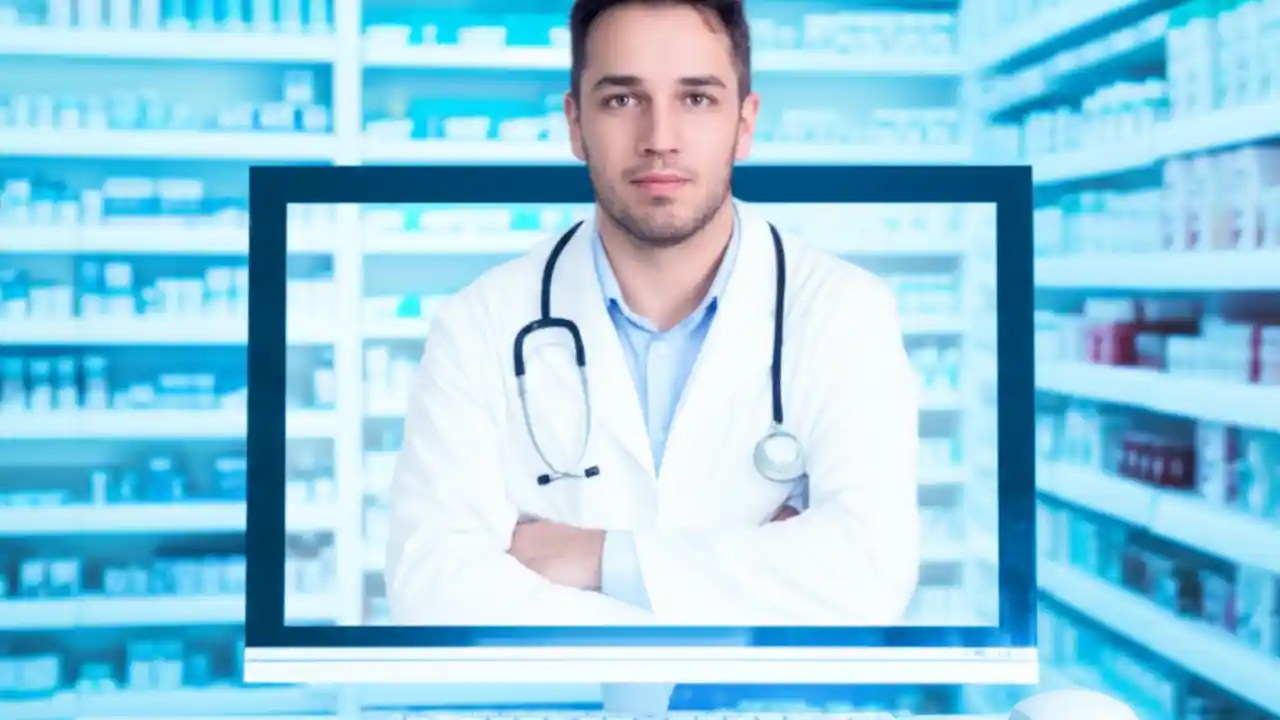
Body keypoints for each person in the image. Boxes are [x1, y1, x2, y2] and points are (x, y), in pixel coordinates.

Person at [386, 0, 919, 652]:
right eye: (620, 100)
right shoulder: (482, 322)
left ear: (744, 125)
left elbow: (869, 573)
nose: (660, 136)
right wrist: (736, 592)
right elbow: (431, 587)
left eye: (696, 99)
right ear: (575, 124)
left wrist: (599, 559)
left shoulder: (842, 311)